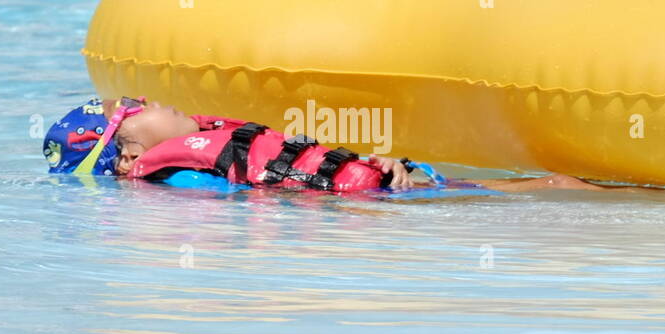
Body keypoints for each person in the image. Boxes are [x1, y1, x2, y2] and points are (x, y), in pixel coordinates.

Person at [43, 97, 616, 193]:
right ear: (125, 154)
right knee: (555, 185)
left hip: (379, 186)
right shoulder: (182, 181)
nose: (151, 103)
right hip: (377, 198)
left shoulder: (188, 166)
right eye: (134, 111)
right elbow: (270, 196)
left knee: (551, 184)